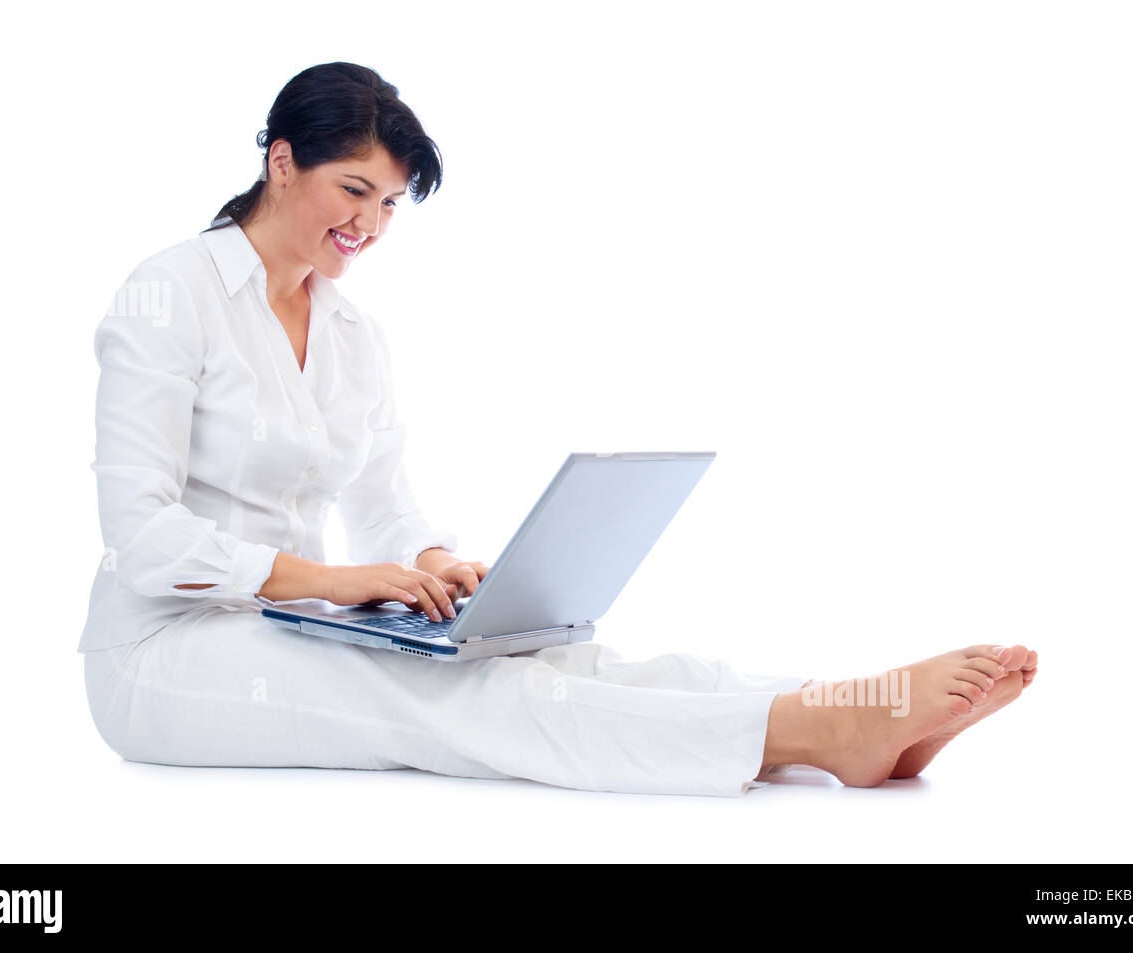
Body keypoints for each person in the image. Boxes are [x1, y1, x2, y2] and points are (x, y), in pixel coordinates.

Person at [79, 62, 1038, 797]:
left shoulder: (351, 330)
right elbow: (143, 536)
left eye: (390, 203)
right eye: (353, 189)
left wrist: (431, 563)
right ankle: (802, 739)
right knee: (456, 700)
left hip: (302, 623)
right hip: (167, 654)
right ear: (281, 161)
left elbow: (383, 502)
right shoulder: (170, 295)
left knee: (542, 658)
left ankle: (849, 708)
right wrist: (345, 582)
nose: (369, 224)